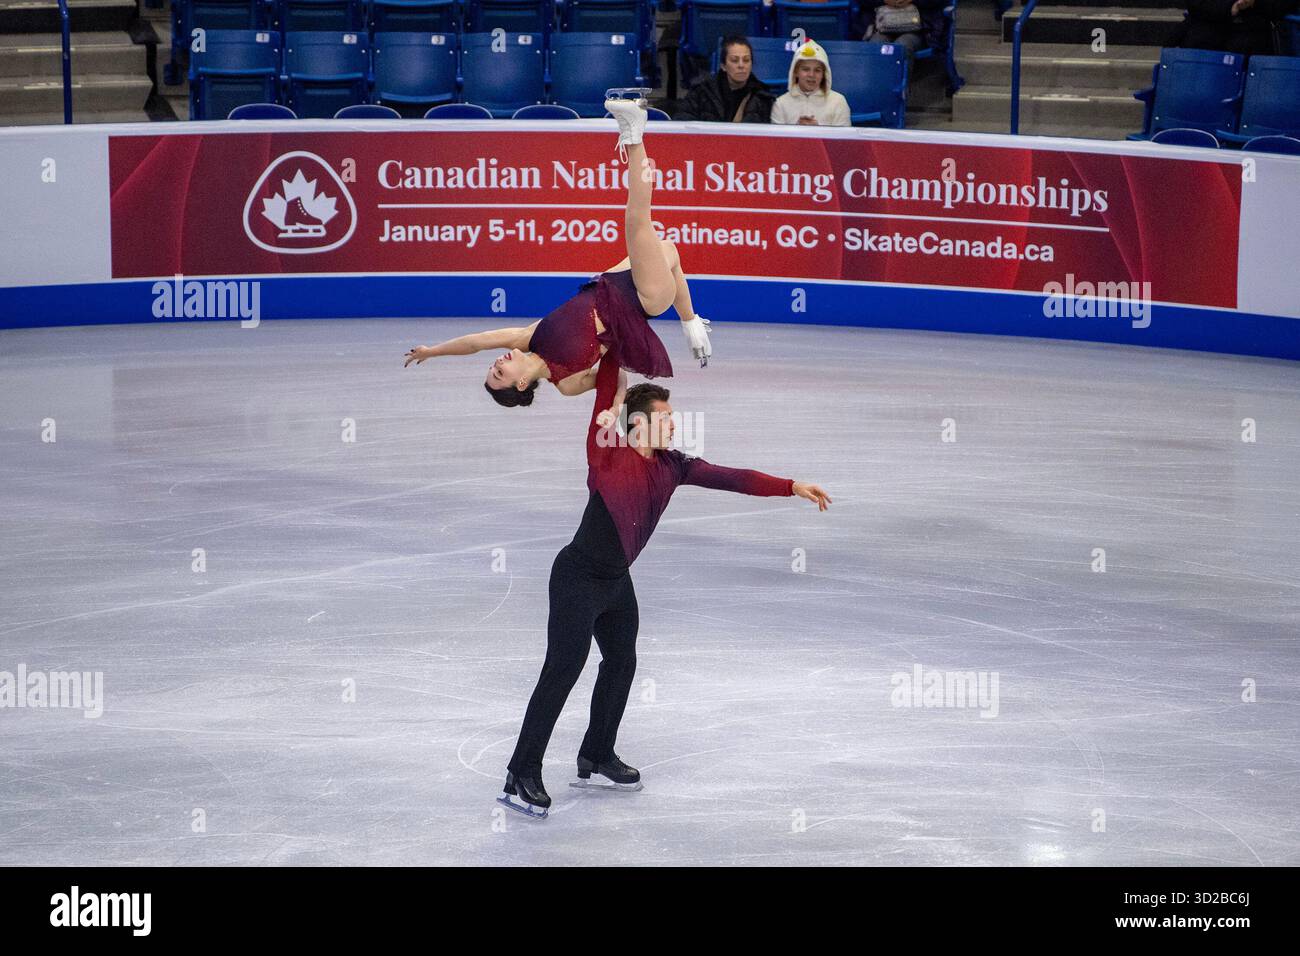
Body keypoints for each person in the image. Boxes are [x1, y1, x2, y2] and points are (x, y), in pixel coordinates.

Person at [498, 356, 833, 818]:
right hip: (578, 578)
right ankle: (522, 772)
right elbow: (608, 388)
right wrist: (614, 342)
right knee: (563, 669)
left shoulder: (674, 466)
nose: (674, 425)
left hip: (616, 583)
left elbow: (732, 478)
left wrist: (791, 485)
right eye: (667, 418)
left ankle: (596, 753)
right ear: (640, 424)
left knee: (621, 661)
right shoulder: (607, 453)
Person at [404, 98, 713, 407]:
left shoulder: (530, 336)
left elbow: (476, 343)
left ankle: (691, 322)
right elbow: (614, 377)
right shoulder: (566, 381)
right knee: (637, 223)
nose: (496, 364)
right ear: (521, 383)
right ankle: (634, 132)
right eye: (499, 374)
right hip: (644, 300)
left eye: (492, 368)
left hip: (614, 283)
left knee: (667, 250)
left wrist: (433, 351)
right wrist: (616, 406)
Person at [674, 35, 775, 124]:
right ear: (723, 66)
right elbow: (682, 123)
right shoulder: (701, 92)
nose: (741, 65)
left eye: (746, 60)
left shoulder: (763, 97)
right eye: (734, 60)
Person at [771, 40, 852, 128]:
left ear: (824, 74)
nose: (811, 75)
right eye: (806, 69)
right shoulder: (780, 104)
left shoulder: (838, 102)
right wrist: (796, 130)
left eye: (817, 70)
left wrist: (817, 132)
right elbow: (777, 141)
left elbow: (843, 141)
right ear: (795, 72)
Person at [1177, 0, 1298, 55]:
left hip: (1255, 28)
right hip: (1212, 22)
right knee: (1196, 41)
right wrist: (1231, 7)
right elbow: (1196, 4)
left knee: (1247, 46)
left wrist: (1255, 2)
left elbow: (1283, 5)